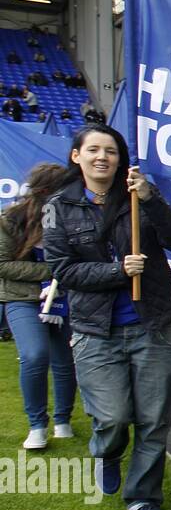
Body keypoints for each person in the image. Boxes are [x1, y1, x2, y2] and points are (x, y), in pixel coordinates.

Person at [43, 125, 171, 510]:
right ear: (77, 156)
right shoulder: (60, 206)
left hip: (154, 324)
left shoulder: (141, 194)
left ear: (120, 157)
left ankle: (142, 496)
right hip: (96, 329)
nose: (102, 157)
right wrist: (116, 271)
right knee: (112, 416)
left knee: (155, 418)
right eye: (93, 150)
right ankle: (107, 452)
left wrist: (151, 198)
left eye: (110, 150)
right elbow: (62, 268)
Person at [0, 163, 77, 450]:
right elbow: (3, 265)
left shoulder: (71, 217)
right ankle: (36, 425)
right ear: (46, 192)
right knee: (34, 355)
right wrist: (51, 271)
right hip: (22, 299)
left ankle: (62, 420)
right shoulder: (10, 219)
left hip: (62, 299)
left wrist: (63, 273)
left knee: (64, 361)